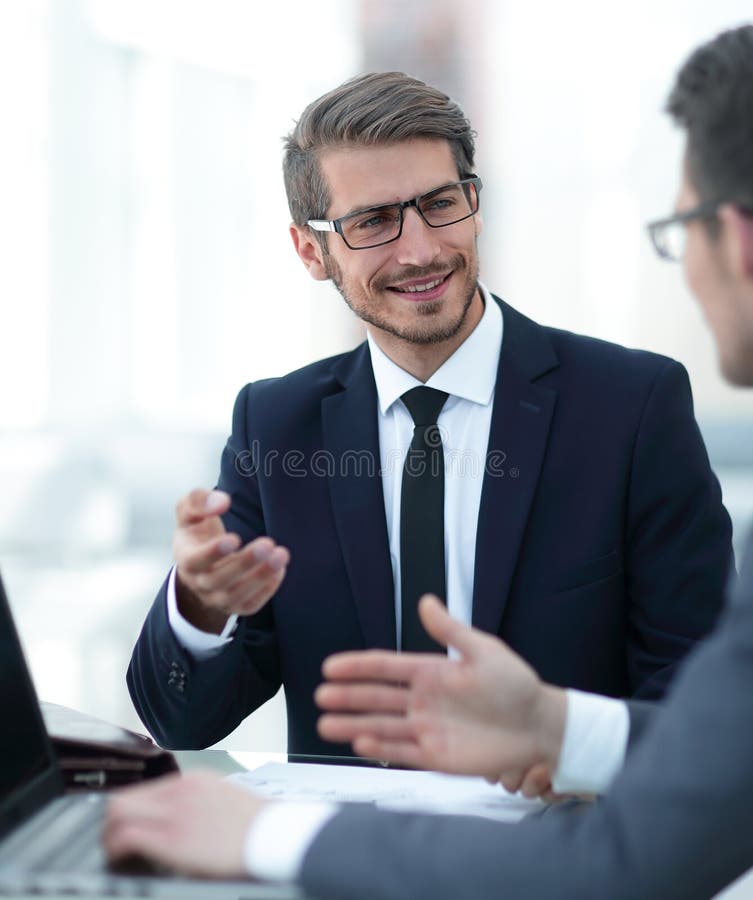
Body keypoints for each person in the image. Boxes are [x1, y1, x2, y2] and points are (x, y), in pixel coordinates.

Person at [106, 24, 753, 899]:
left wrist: (560, 737)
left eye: (440, 204)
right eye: (373, 221)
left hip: (564, 870)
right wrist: (199, 607)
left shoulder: (632, 406)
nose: (419, 249)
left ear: (473, 204)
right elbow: (184, 721)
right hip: (341, 873)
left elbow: (703, 719)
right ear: (311, 250)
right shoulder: (276, 423)